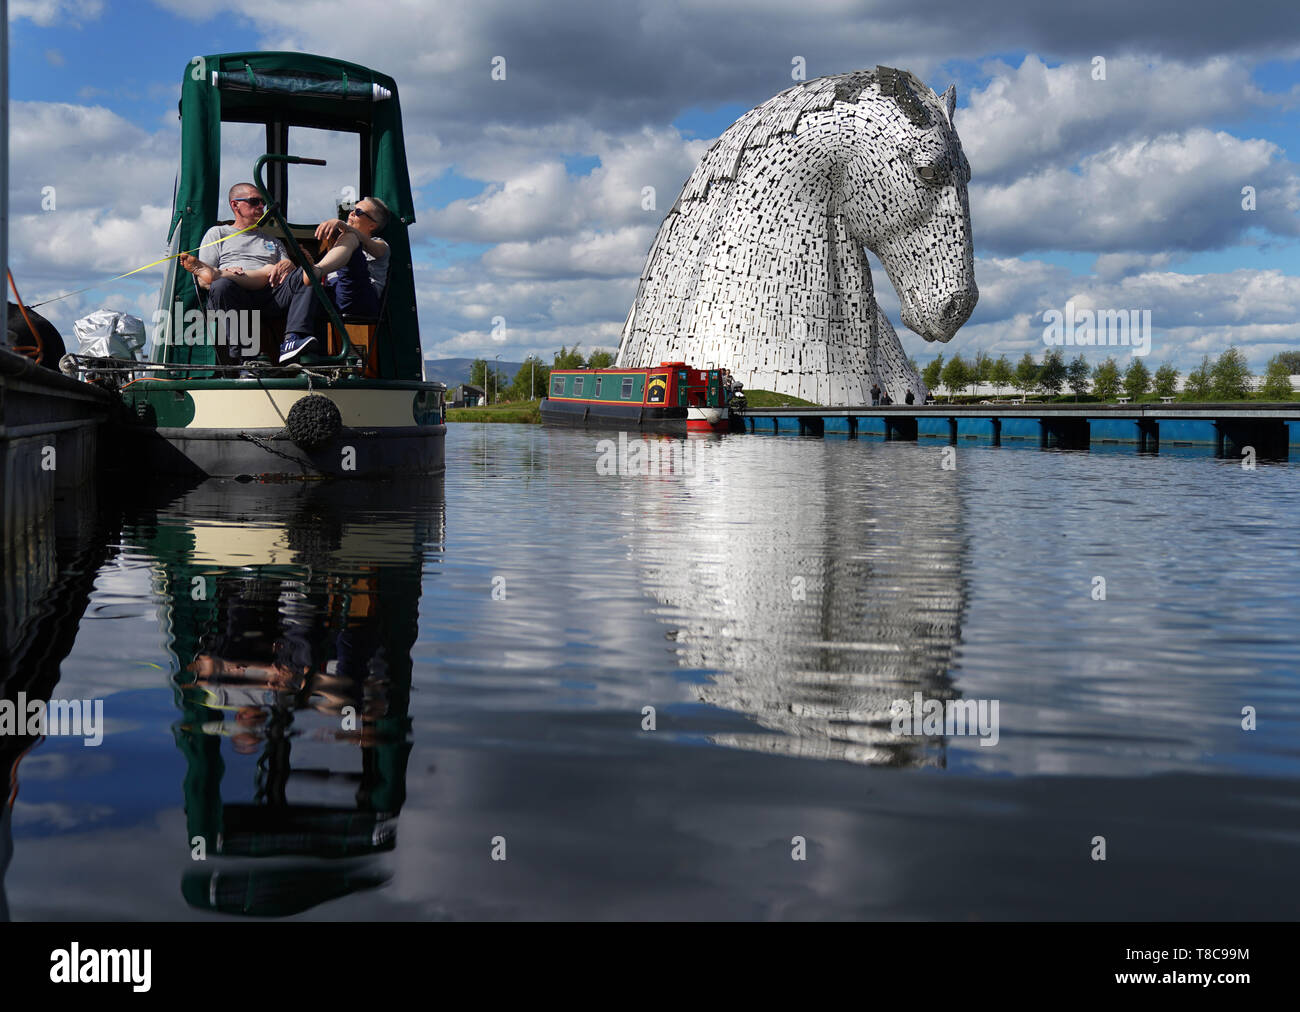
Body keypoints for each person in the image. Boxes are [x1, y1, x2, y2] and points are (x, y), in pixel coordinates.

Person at [178, 183, 298, 364]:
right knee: (220, 284)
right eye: (254, 201)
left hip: (270, 294)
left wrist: (289, 264)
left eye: (263, 203)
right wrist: (226, 275)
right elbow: (204, 283)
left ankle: (299, 344)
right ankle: (246, 358)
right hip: (234, 294)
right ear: (235, 205)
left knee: (306, 278)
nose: (260, 207)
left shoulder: (273, 242)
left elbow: (289, 274)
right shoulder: (217, 233)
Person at [277, 197, 391, 362]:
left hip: (361, 298)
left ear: (372, 225)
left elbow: (375, 249)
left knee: (351, 238)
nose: (352, 213)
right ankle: (294, 339)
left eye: (358, 212)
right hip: (335, 295)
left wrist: (342, 225)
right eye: (353, 209)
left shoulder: (380, 244)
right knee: (308, 280)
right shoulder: (339, 244)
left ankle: (316, 271)